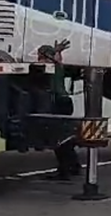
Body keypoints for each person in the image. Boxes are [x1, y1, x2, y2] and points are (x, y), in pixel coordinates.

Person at [38, 40, 83, 180]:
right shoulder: (59, 67)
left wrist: (56, 51)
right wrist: (57, 51)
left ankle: (65, 171)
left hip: (58, 102)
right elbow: (58, 61)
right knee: (65, 138)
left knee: (58, 139)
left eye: (40, 55)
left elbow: (48, 63)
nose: (38, 59)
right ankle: (73, 166)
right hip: (65, 102)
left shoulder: (48, 67)